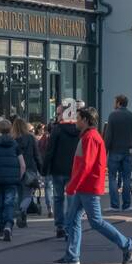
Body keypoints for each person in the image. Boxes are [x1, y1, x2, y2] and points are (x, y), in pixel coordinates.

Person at [55, 107, 132, 264]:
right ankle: (72, 256)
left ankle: (128, 245)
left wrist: (73, 185)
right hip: (85, 186)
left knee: (95, 221)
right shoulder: (89, 136)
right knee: (72, 220)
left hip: (88, 186)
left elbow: (86, 165)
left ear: (86, 120)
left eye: (79, 118)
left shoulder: (91, 138)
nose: (76, 121)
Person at [45, 100, 80, 238]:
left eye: (59, 113)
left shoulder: (57, 129)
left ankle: (60, 226)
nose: (57, 116)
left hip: (58, 169)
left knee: (58, 198)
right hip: (73, 169)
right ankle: (69, 225)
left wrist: (45, 168)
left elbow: (50, 151)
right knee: (71, 198)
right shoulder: (78, 129)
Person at [0, 117, 24, 241]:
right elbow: (22, 164)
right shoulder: (15, 145)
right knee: (9, 203)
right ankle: (8, 225)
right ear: (10, 130)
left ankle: (1, 229)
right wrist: (19, 176)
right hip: (12, 180)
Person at [103, 95, 132, 212]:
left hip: (114, 151)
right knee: (126, 178)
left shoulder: (113, 116)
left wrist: (104, 152)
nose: (114, 104)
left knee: (112, 177)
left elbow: (108, 136)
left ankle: (114, 205)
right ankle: (126, 205)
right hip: (128, 151)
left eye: (115, 102)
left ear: (119, 103)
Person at [12, 118, 40, 227]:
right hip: (30, 169)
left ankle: (22, 218)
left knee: (19, 194)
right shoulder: (31, 138)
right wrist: (41, 168)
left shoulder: (12, 139)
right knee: (28, 194)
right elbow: (36, 155)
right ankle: (22, 211)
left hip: (16, 169)